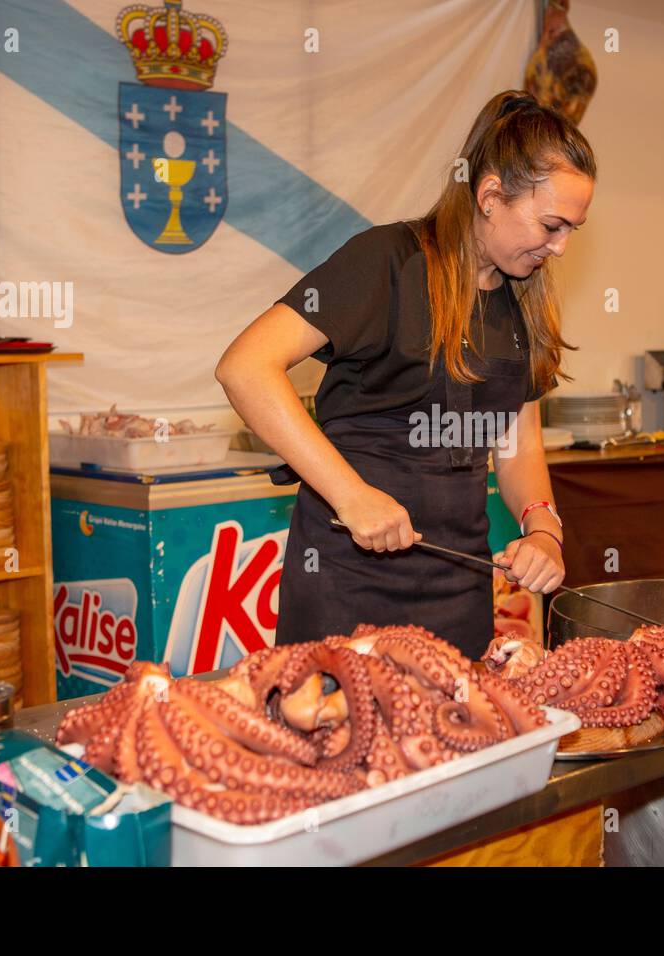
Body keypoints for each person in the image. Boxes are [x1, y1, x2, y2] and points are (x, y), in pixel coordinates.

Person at [216, 89, 595, 658]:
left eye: (572, 230)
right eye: (551, 225)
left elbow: (519, 442)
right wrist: (352, 496)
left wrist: (543, 528)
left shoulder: (525, 299)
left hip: (458, 593)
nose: (560, 248)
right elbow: (245, 366)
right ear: (491, 195)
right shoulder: (386, 262)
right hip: (348, 587)